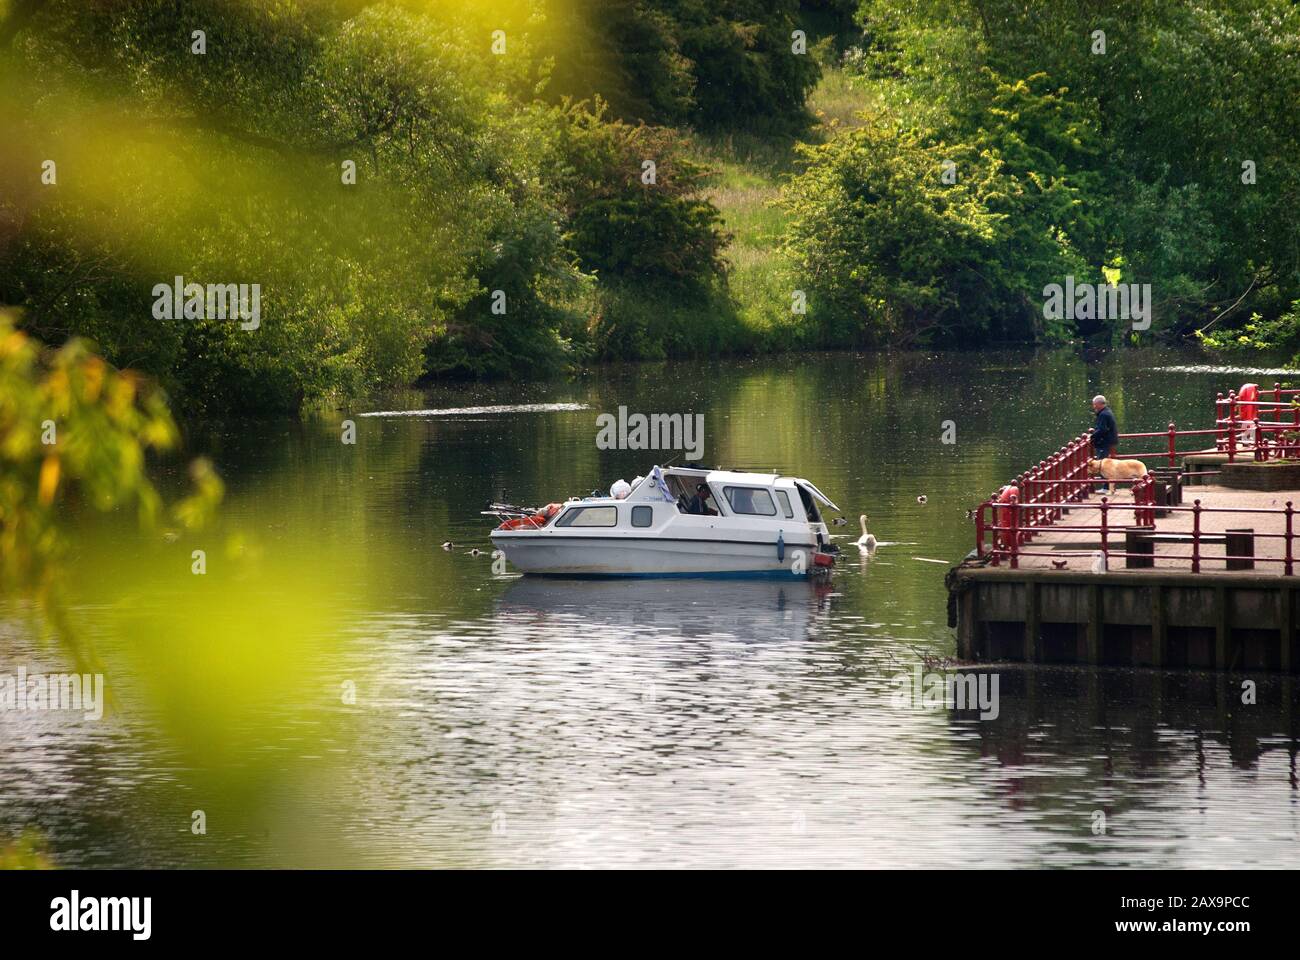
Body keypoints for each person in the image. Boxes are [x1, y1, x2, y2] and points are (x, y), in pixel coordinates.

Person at [1091, 394, 1118, 459]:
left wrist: (1092, 436)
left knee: (1101, 462)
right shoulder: (1107, 412)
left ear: (1099, 404)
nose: (1094, 406)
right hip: (1109, 441)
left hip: (1104, 443)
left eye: (1095, 404)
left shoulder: (1103, 414)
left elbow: (1102, 429)